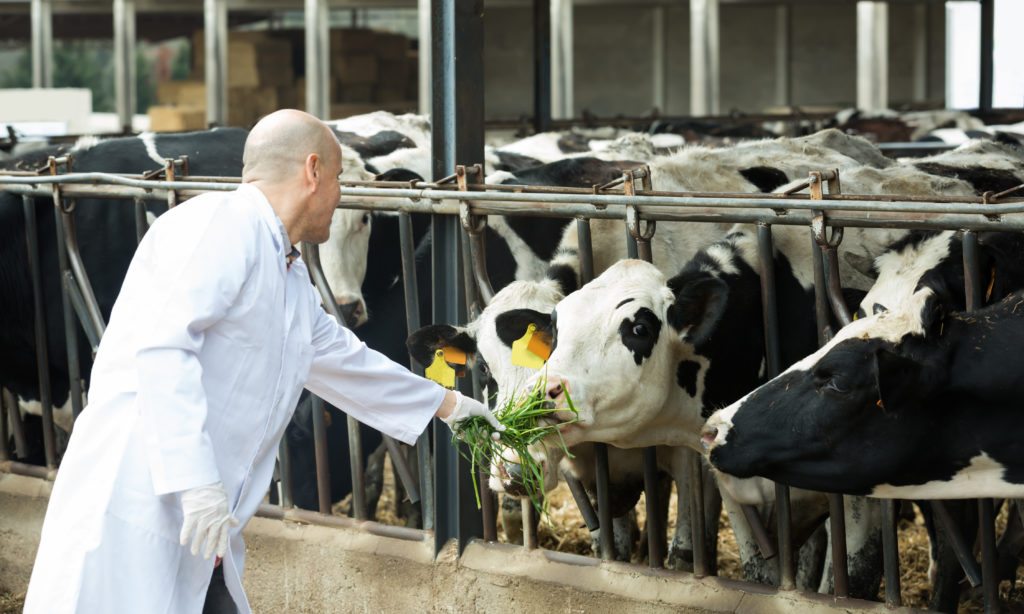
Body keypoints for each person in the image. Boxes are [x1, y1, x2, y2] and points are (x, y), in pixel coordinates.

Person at [23, 109, 502, 614]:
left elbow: (340, 358)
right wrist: (195, 481)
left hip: (202, 521)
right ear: (313, 172)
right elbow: (164, 345)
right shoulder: (217, 225)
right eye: (338, 179)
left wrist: (448, 405)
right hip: (139, 499)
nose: (340, 195)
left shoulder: (288, 271)